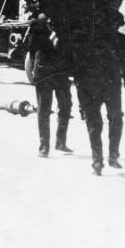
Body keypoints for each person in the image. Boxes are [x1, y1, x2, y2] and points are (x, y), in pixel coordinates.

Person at [72, 9, 125, 176]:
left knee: (94, 124)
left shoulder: (86, 39)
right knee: (115, 119)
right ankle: (113, 156)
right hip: (111, 87)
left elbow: (78, 70)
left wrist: (80, 99)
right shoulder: (121, 41)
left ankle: (97, 163)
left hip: (90, 88)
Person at [25, 10, 73, 157]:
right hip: (44, 69)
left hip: (61, 71)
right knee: (44, 108)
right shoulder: (38, 24)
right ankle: (44, 146)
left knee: (65, 105)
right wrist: (33, 68)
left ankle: (60, 142)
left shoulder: (67, 23)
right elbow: (31, 48)